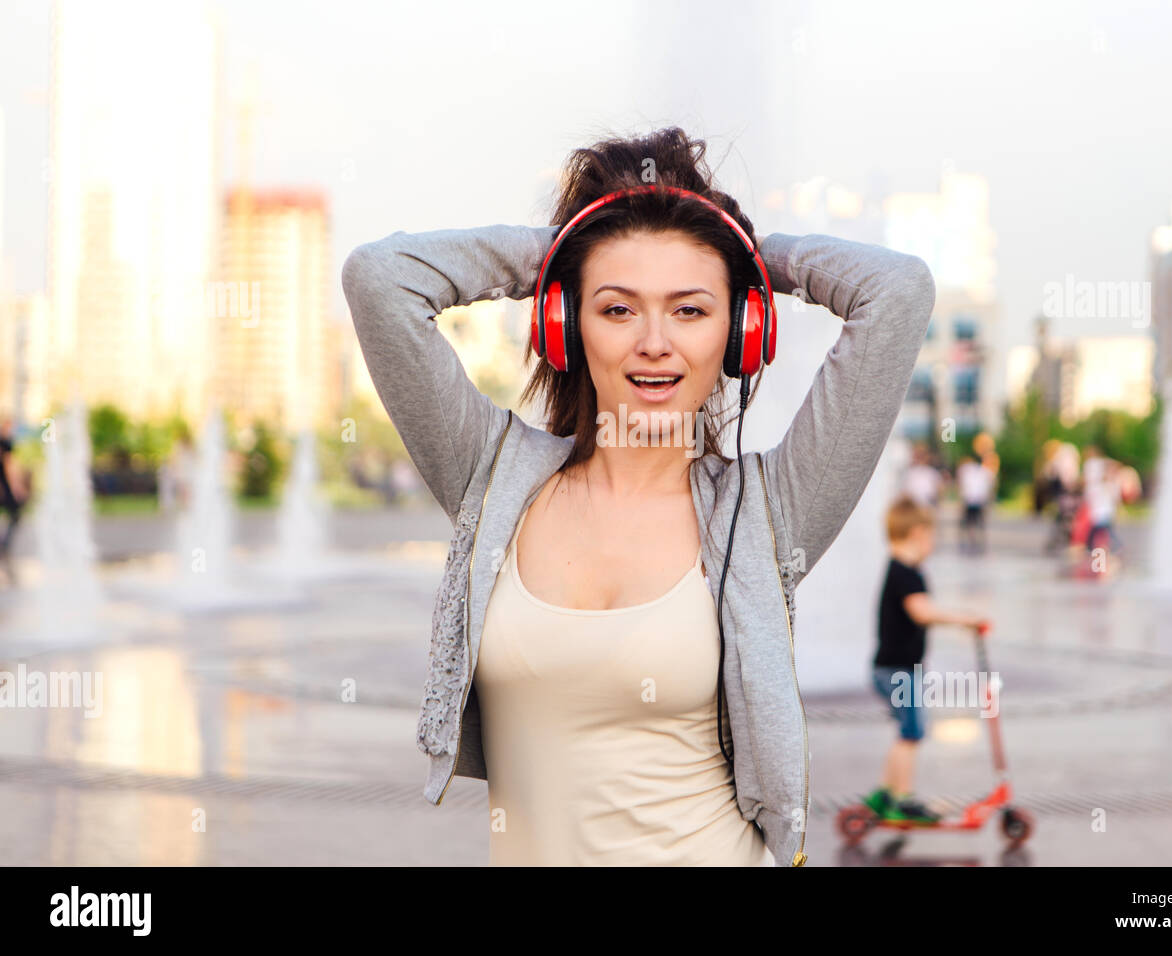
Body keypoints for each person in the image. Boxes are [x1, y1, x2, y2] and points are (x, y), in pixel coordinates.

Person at [341, 126, 936, 867]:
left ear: (740, 331)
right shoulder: (492, 477)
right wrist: (569, 247)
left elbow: (899, 291)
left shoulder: (765, 511)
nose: (654, 341)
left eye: (691, 310)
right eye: (617, 309)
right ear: (565, 323)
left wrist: (745, 253)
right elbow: (379, 278)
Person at [865, 496, 990, 823]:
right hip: (898, 671)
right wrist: (965, 620)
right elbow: (921, 613)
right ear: (918, 533)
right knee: (912, 732)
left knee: (907, 732)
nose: (933, 544)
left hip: (892, 669)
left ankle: (886, 793)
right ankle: (902, 801)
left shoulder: (899, 569)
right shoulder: (906, 573)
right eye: (932, 536)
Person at [0, 417, 29, 555]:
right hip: (4, 486)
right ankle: (4, 544)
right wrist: (16, 487)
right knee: (16, 513)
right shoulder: (6, 442)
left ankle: (4, 544)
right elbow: (8, 466)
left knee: (15, 514)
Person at [956, 453, 994, 554]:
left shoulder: (968, 471)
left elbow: (963, 486)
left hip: (970, 499)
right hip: (979, 500)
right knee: (978, 521)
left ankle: (973, 539)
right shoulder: (985, 472)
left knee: (971, 522)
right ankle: (978, 539)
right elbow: (989, 487)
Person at [901, 443, 943, 509]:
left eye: (922, 455)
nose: (920, 458)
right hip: (912, 507)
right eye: (918, 456)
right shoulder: (909, 473)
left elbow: (939, 490)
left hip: (928, 507)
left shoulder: (932, 473)